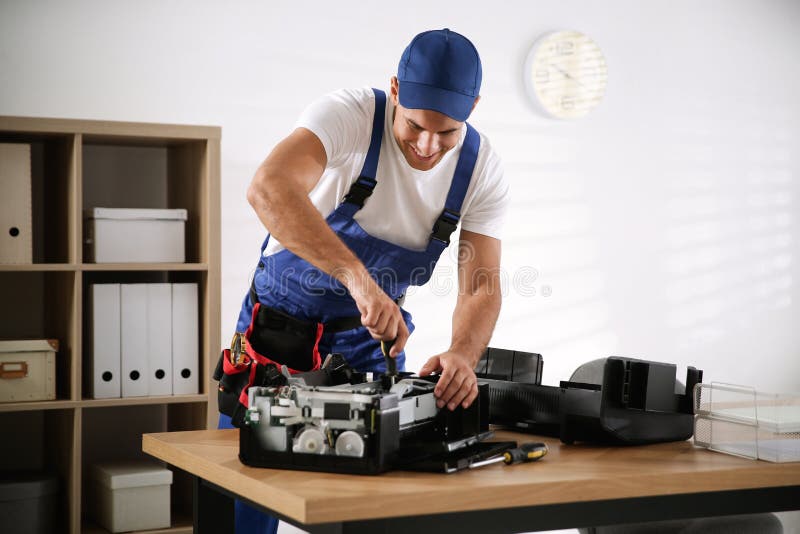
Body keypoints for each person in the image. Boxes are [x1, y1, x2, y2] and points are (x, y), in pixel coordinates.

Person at [219, 28, 508, 533]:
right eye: (416, 125)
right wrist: (357, 278)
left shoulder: (482, 167)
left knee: (368, 500)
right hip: (276, 336)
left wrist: (463, 352)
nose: (427, 146)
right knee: (245, 493)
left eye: (447, 133)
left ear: (474, 107)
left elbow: (481, 282)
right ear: (395, 90)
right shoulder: (349, 116)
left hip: (368, 346)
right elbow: (268, 188)